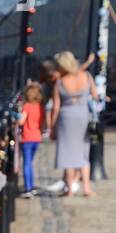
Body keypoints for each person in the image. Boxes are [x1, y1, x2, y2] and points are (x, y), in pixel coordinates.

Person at [50, 50, 99, 199]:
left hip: (66, 117)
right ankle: (86, 188)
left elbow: (56, 106)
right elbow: (95, 96)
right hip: (83, 115)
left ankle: (70, 189)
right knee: (83, 152)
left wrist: (52, 126)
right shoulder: (87, 76)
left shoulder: (60, 82)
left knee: (68, 153)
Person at [18, 83, 45, 196]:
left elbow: (21, 121)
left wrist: (17, 116)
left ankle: (28, 188)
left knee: (26, 163)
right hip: (37, 137)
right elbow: (42, 124)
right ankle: (32, 185)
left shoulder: (27, 106)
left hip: (27, 137)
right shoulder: (40, 107)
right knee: (31, 163)